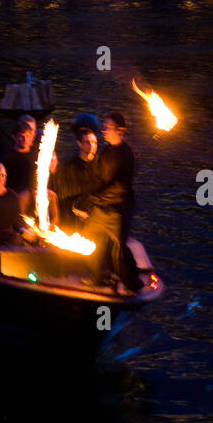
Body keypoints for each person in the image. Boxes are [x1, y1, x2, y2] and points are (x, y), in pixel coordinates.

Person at [79, 113, 141, 295]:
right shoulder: (106, 151)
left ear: (120, 130)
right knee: (88, 237)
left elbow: (115, 184)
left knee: (118, 249)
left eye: (108, 127)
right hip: (101, 207)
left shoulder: (127, 155)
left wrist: (93, 197)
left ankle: (132, 283)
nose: (103, 130)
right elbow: (99, 178)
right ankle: (96, 276)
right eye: (103, 126)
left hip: (118, 209)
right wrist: (88, 196)